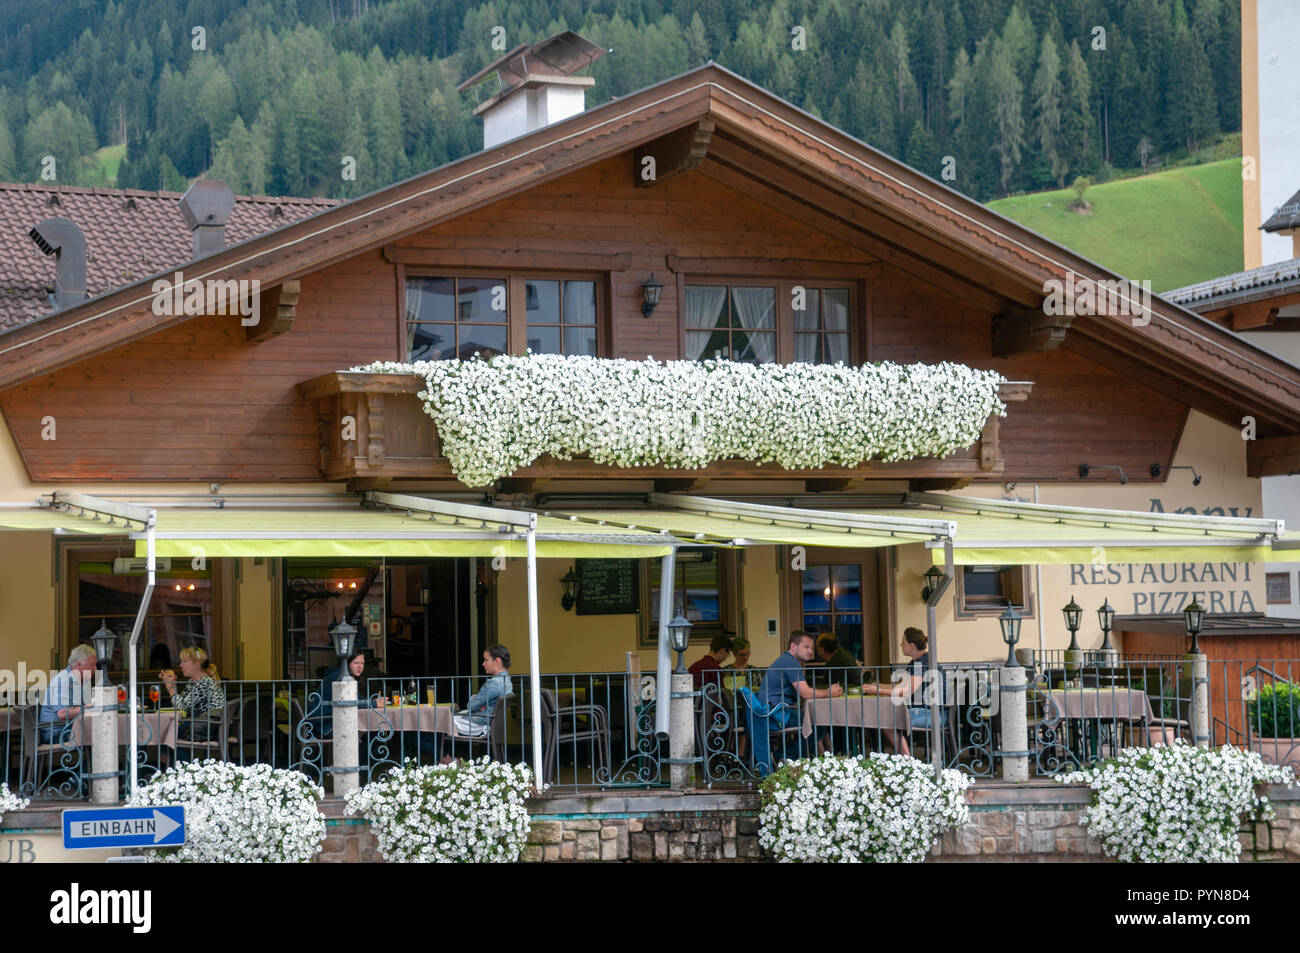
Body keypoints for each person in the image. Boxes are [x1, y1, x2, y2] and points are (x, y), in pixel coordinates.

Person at [861, 627, 946, 757]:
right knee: (886, 719)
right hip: (928, 711)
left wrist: (878, 690)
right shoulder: (916, 662)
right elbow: (901, 686)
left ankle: (908, 762)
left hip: (935, 714)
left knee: (887, 721)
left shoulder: (922, 662)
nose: (901, 645)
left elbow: (907, 691)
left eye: (903, 642)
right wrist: (876, 686)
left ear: (911, 645)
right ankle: (905, 760)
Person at [758, 629, 842, 757]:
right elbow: (805, 693)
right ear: (793, 646)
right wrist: (828, 692)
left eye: (812, 648)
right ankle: (782, 756)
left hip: (772, 711)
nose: (810, 651)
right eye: (806, 647)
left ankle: (786, 756)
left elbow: (804, 692)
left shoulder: (787, 660)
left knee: (814, 722)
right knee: (817, 725)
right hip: (776, 714)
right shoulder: (790, 662)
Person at [160, 646, 225, 743]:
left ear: (196, 664)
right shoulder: (193, 682)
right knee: (165, 733)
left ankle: (179, 759)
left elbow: (181, 707)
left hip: (208, 728)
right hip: (204, 726)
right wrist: (172, 685)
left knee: (165, 735)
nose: (181, 665)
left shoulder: (204, 682)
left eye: (184, 662)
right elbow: (182, 702)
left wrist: (170, 687)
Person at [39, 644, 97, 743]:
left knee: (100, 732)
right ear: (79, 665)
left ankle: (91, 759)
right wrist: (91, 707)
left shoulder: (79, 681)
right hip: (57, 735)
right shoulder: (63, 681)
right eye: (92, 665)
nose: (95, 669)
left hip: (69, 729)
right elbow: (62, 713)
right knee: (99, 735)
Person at [454, 644, 513, 739]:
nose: (483, 664)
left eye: (486, 660)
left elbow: (471, 705)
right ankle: (445, 754)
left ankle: (443, 754)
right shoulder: (507, 680)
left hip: (478, 724)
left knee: (437, 721)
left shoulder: (494, 684)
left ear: (497, 661)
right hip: (488, 723)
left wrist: (473, 698)